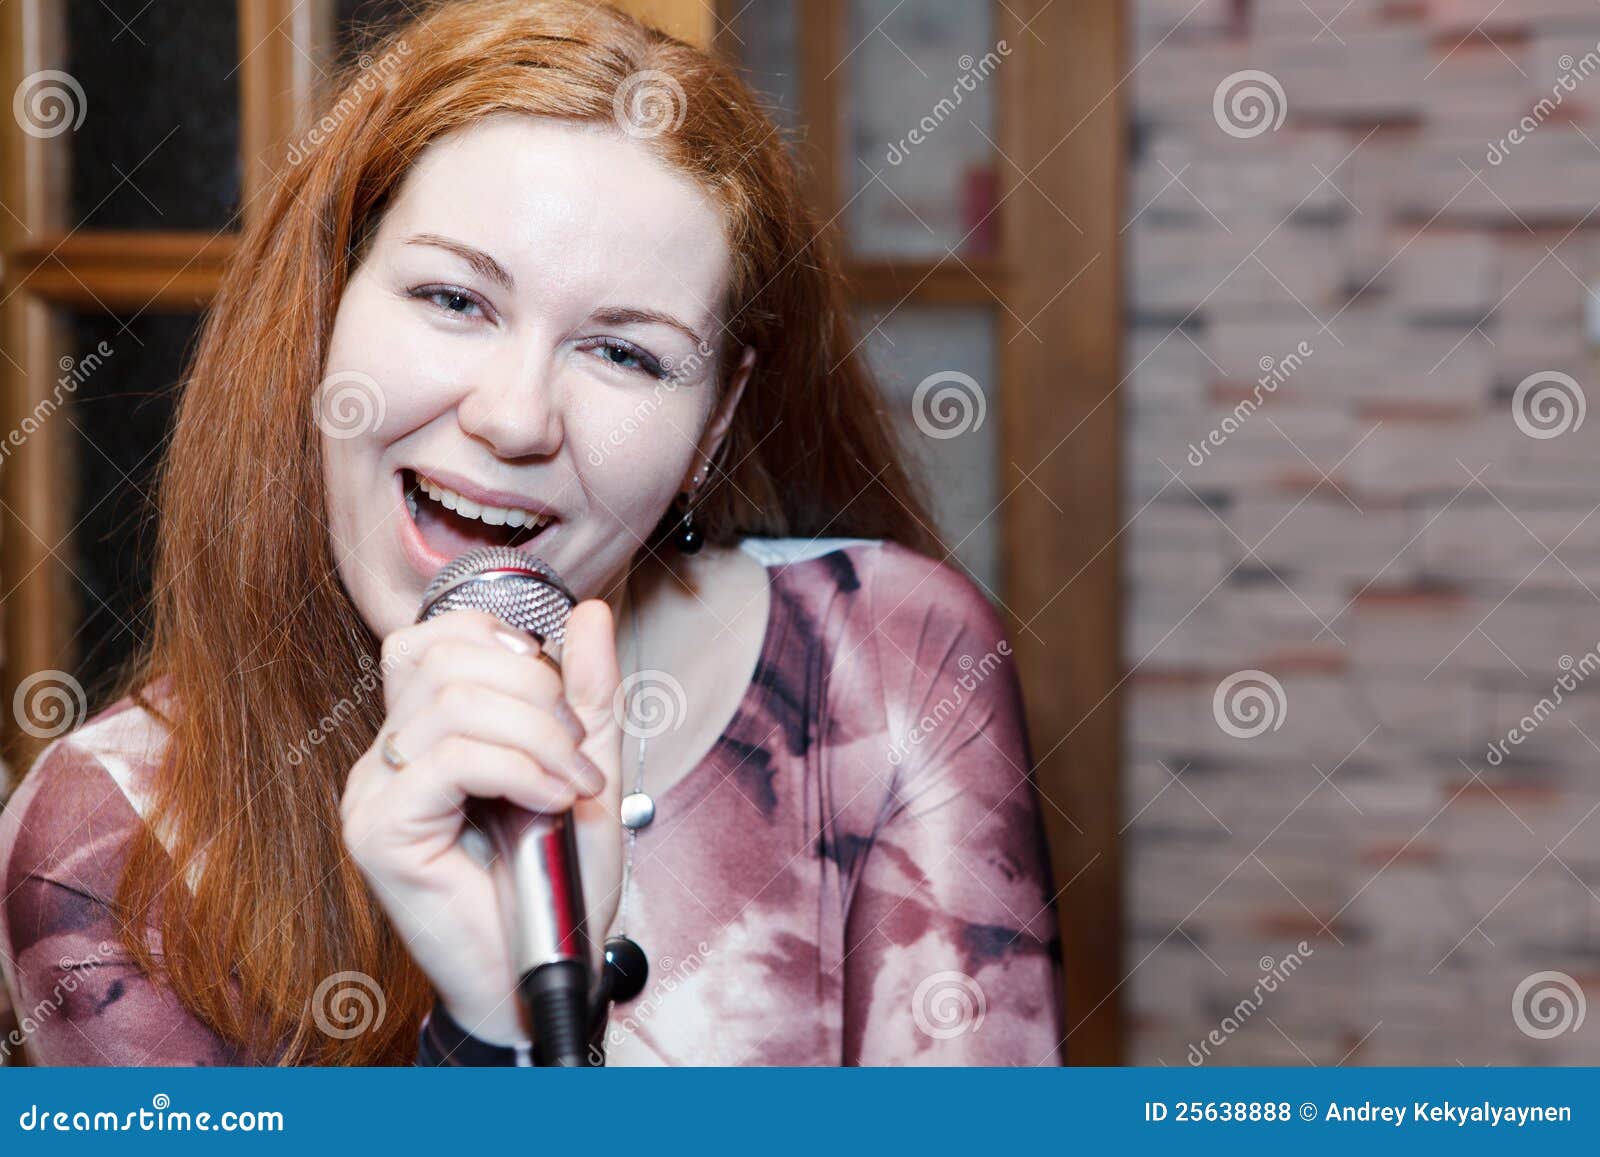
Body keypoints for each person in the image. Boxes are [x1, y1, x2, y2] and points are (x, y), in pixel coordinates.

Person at [0, 0, 1064, 1066]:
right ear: (321, 313)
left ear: (714, 424)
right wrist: (493, 1037)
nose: (514, 417)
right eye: (455, 298)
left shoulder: (883, 660)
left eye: (625, 355)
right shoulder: (110, 845)